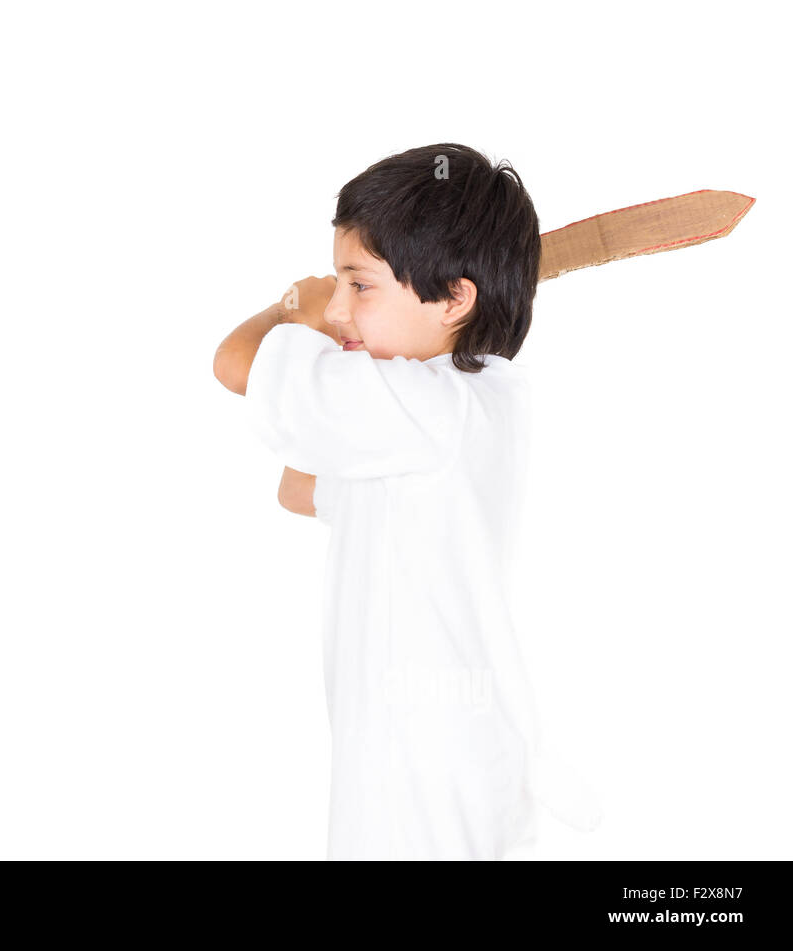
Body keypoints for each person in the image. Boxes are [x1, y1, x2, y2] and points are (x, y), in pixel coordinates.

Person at [213, 144, 601, 859]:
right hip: (418, 761)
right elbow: (298, 490)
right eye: (336, 282)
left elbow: (232, 363)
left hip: (424, 778)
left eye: (358, 285)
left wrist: (292, 308)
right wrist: (333, 345)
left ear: (455, 297)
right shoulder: (470, 403)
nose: (339, 306)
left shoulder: (425, 407)